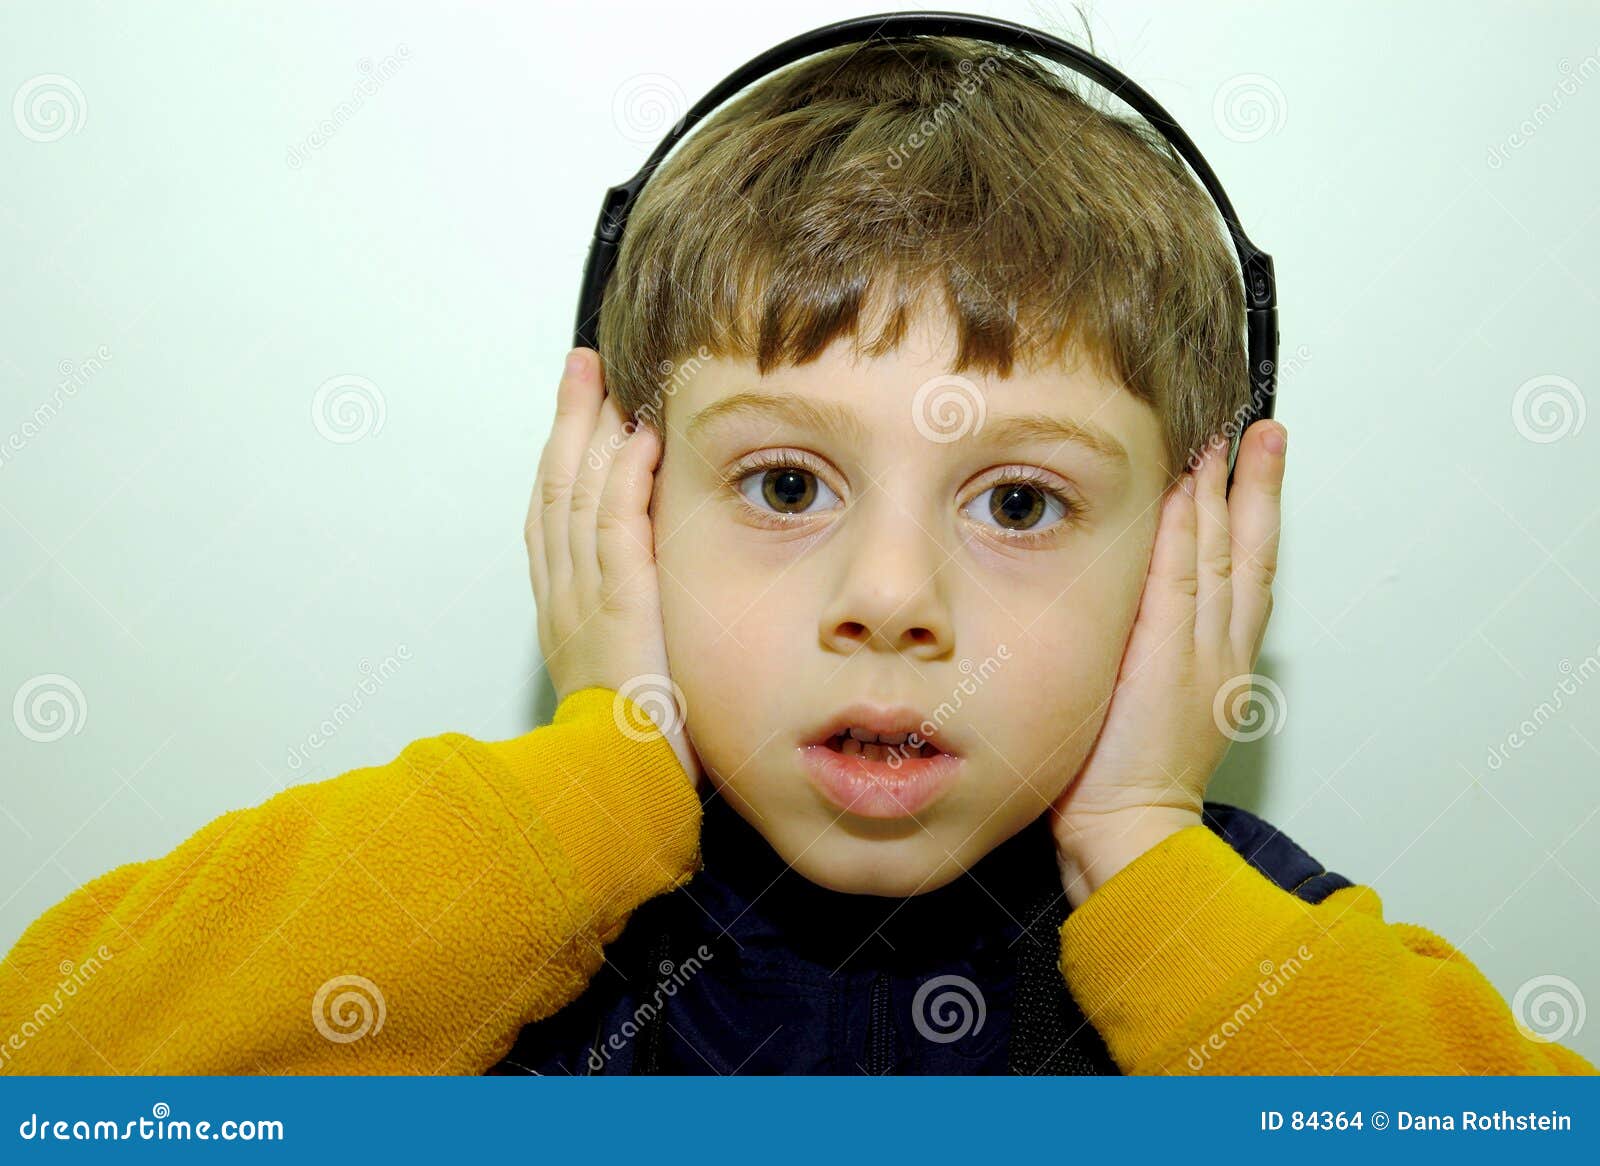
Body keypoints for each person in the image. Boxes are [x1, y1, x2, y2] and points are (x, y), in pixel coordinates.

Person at [1, 37, 1591, 1076]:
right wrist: (589, 784)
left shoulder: (1250, 968)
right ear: (619, 499)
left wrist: (1149, 852)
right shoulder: (474, 924)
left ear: (1199, 550)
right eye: (783, 482)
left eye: (1020, 503)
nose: (893, 600)